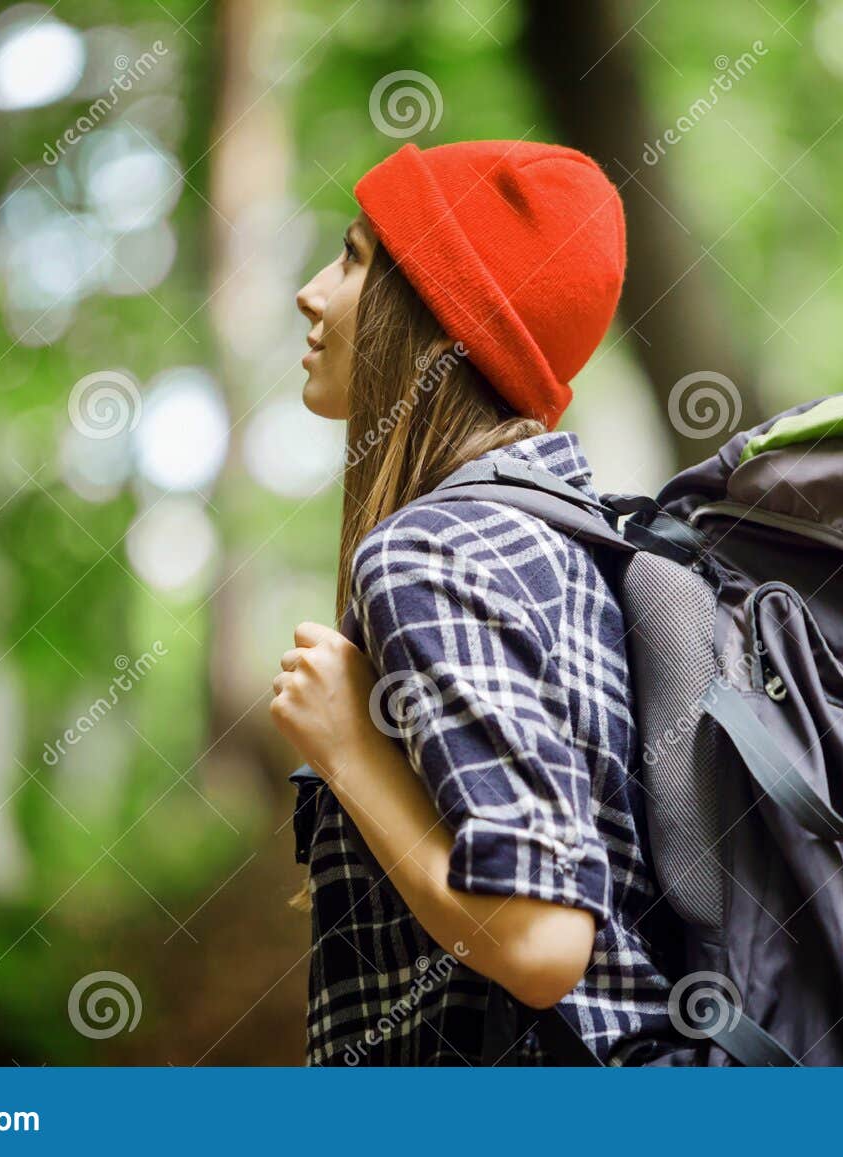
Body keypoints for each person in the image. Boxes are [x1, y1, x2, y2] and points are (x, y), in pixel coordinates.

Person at [268, 140, 677, 1065]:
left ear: (431, 314)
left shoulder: (429, 555)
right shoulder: (567, 539)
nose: (311, 290)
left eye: (353, 258)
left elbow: (540, 943)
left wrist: (345, 751)